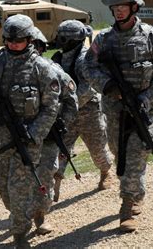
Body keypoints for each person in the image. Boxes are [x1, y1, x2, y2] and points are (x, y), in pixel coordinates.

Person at [82, 0, 153, 232]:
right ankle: (134, 192)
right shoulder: (103, 40)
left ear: (134, 7)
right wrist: (108, 85)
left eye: (123, 7)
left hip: (144, 109)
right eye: (115, 8)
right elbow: (88, 67)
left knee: (135, 154)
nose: (118, 12)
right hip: (114, 110)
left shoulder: (152, 37)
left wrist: (147, 98)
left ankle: (127, 204)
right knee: (119, 153)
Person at [0, 14, 61, 248]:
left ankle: (20, 232)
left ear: (29, 39)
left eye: (17, 40)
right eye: (8, 40)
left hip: (28, 137)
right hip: (1, 134)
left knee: (19, 187)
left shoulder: (42, 68)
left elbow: (51, 107)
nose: (12, 45)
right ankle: (28, 212)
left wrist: (35, 133)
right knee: (1, 181)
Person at [51, 20, 114, 202]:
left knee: (97, 150)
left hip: (88, 112)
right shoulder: (59, 58)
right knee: (59, 150)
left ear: (72, 40)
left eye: (62, 37)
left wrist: (67, 105)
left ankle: (105, 172)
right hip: (66, 114)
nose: (58, 40)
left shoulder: (85, 58)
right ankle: (54, 185)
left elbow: (87, 88)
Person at [30, 27, 79, 232]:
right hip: (16, 136)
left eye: (33, 45)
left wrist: (60, 125)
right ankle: (22, 212)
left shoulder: (54, 71)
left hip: (48, 136)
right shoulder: (6, 68)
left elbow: (71, 102)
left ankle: (41, 215)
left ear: (41, 47)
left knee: (45, 173)